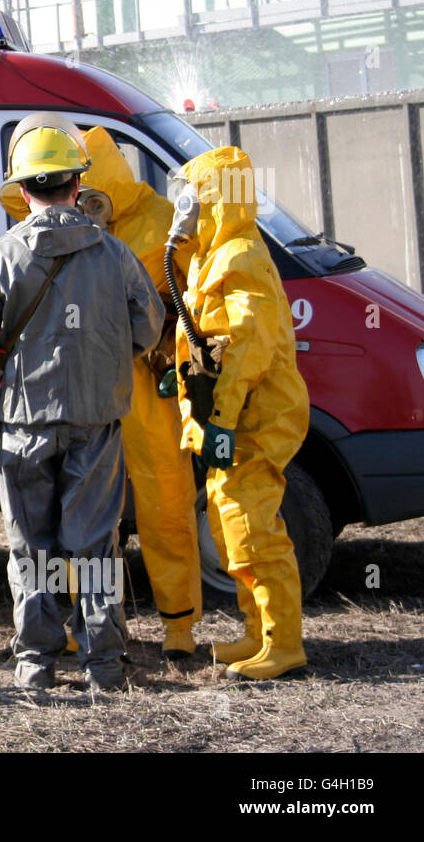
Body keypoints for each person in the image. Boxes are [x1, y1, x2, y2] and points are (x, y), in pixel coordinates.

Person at [0, 114, 163, 691]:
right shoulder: (115, 255)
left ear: (22, 187)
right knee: (94, 547)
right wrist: (103, 357)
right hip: (97, 421)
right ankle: (104, 665)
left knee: (30, 549)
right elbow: (149, 327)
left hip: (22, 425)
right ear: (76, 183)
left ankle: (36, 664)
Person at [0, 124, 203, 659]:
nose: (89, 206)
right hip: (98, 393)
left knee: (165, 504)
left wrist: (166, 348)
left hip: (144, 386)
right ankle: (89, 633)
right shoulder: (92, 240)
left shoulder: (159, 223)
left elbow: (195, 298)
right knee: (83, 523)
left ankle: (177, 625)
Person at [167, 146, 309, 681]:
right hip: (235, 414)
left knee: (254, 527)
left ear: (216, 200)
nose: (185, 205)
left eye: (195, 196)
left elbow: (248, 347)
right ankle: (257, 633)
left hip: (256, 417)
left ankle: (283, 643)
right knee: (231, 527)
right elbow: (210, 334)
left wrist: (220, 419)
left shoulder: (242, 255)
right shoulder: (214, 254)